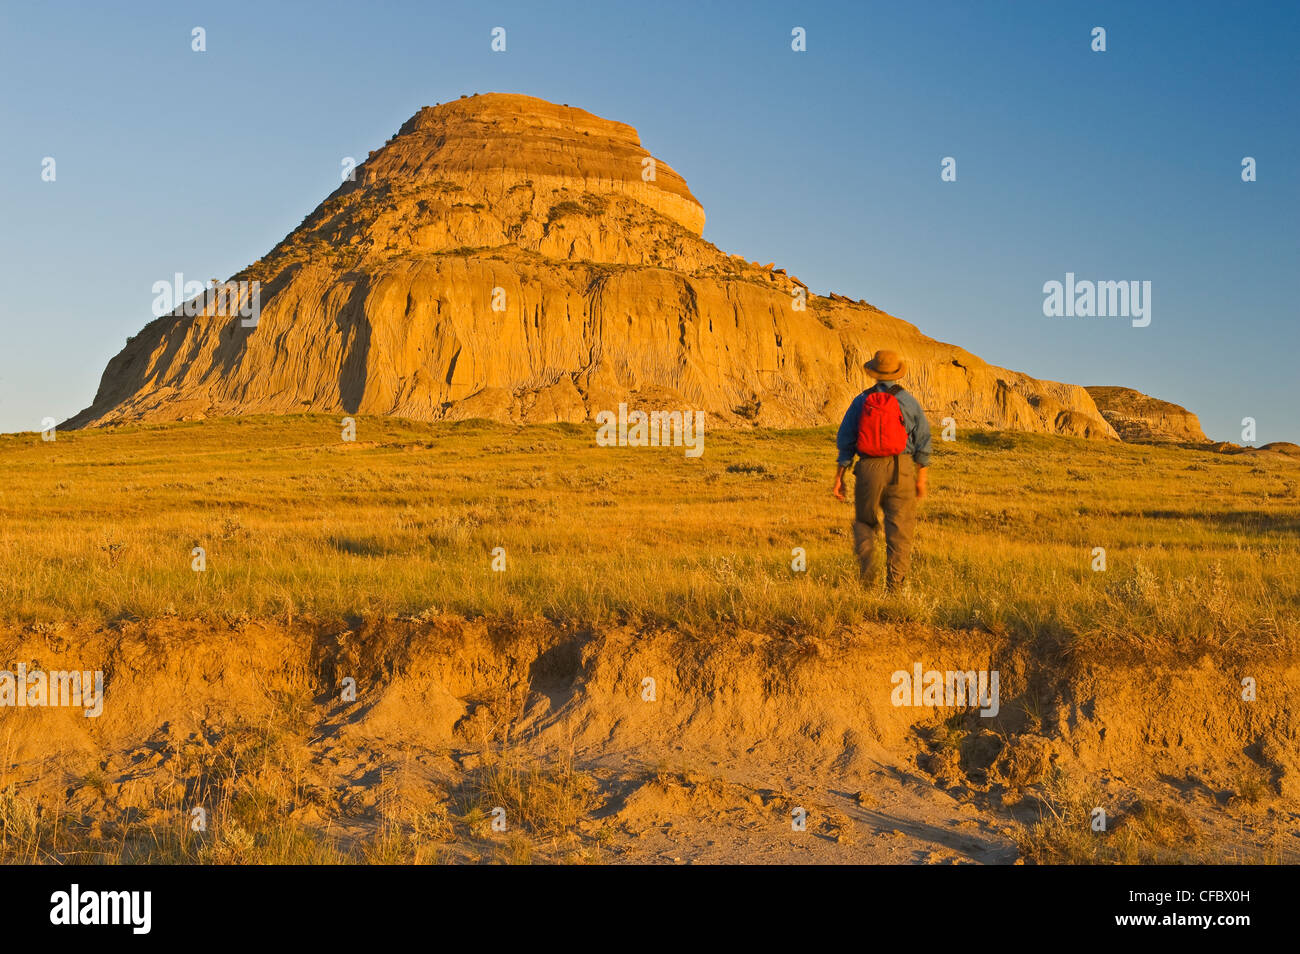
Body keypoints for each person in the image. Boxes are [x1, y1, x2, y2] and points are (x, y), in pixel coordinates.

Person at [832, 350, 932, 590]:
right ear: (897, 374)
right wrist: (921, 478)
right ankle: (895, 588)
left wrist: (839, 477)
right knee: (900, 530)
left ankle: (868, 581)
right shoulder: (908, 401)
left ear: (874, 374)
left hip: (868, 469)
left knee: (865, 523)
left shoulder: (861, 401)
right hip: (902, 469)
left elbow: (846, 440)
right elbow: (923, 440)